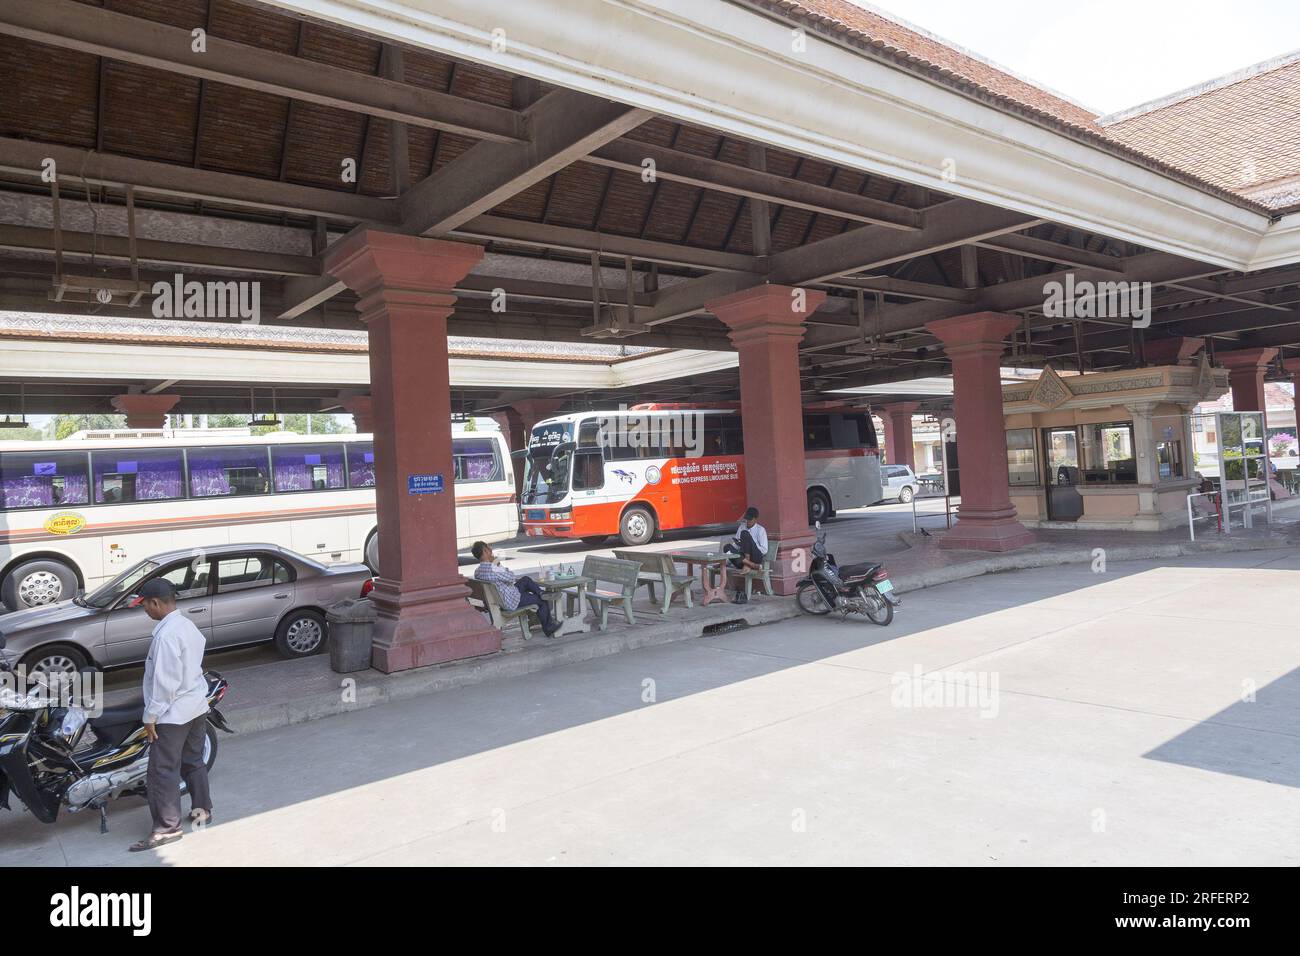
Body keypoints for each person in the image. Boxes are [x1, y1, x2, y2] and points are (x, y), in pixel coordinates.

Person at [129, 578, 213, 852]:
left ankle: (167, 829)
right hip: (196, 707)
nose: (145, 612)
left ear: (155, 603)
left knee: (162, 771)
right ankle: (203, 809)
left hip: (173, 714)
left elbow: (166, 684)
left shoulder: (166, 636)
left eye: (145, 607)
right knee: (193, 760)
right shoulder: (186, 626)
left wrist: (150, 716)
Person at [472, 541, 559, 638]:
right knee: (542, 600)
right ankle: (549, 627)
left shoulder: (478, 571)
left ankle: (541, 592)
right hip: (509, 600)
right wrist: (498, 564)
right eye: (489, 548)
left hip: (500, 598)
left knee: (525, 580)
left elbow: (507, 580)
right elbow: (511, 577)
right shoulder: (493, 568)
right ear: (485, 551)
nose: (491, 550)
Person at [723, 506, 768, 604]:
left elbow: (764, 550)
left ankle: (748, 564)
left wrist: (752, 546)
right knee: (727, 547)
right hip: (743, 560)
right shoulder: (742, 527)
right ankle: (750, 565)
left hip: (755, 557)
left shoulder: (761, 530)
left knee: (745, 534)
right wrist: (737, 546)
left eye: (750, 519)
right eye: (746, 519)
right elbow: (737, 544)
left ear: (756, 519)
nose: (747, 522)